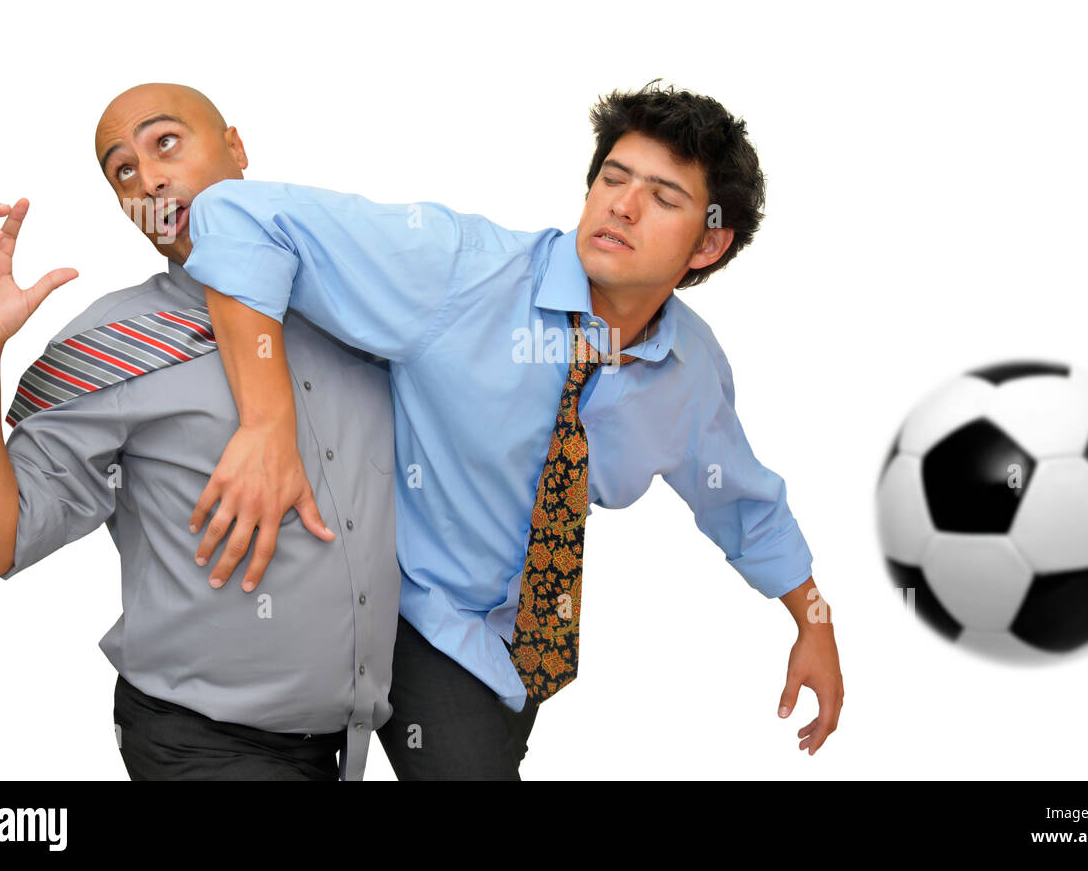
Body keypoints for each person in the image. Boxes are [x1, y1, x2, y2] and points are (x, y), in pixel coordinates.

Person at [180, 81, 845, 779]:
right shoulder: (459, 269)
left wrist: (814, 622)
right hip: (410, 601)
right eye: (613, 178)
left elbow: (739, 498)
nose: (621, 204)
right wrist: (265, 424)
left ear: (708, 244)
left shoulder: (689, 366)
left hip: (523, 637)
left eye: (663, 197)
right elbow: (236, 213)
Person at [0, 83, 398, 780]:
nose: (149, 176)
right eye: (122, 169)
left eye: (166, 143)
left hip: (354, 735)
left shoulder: (360, 304)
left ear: (236, 148)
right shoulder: (108, 345)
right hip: (205, 744)